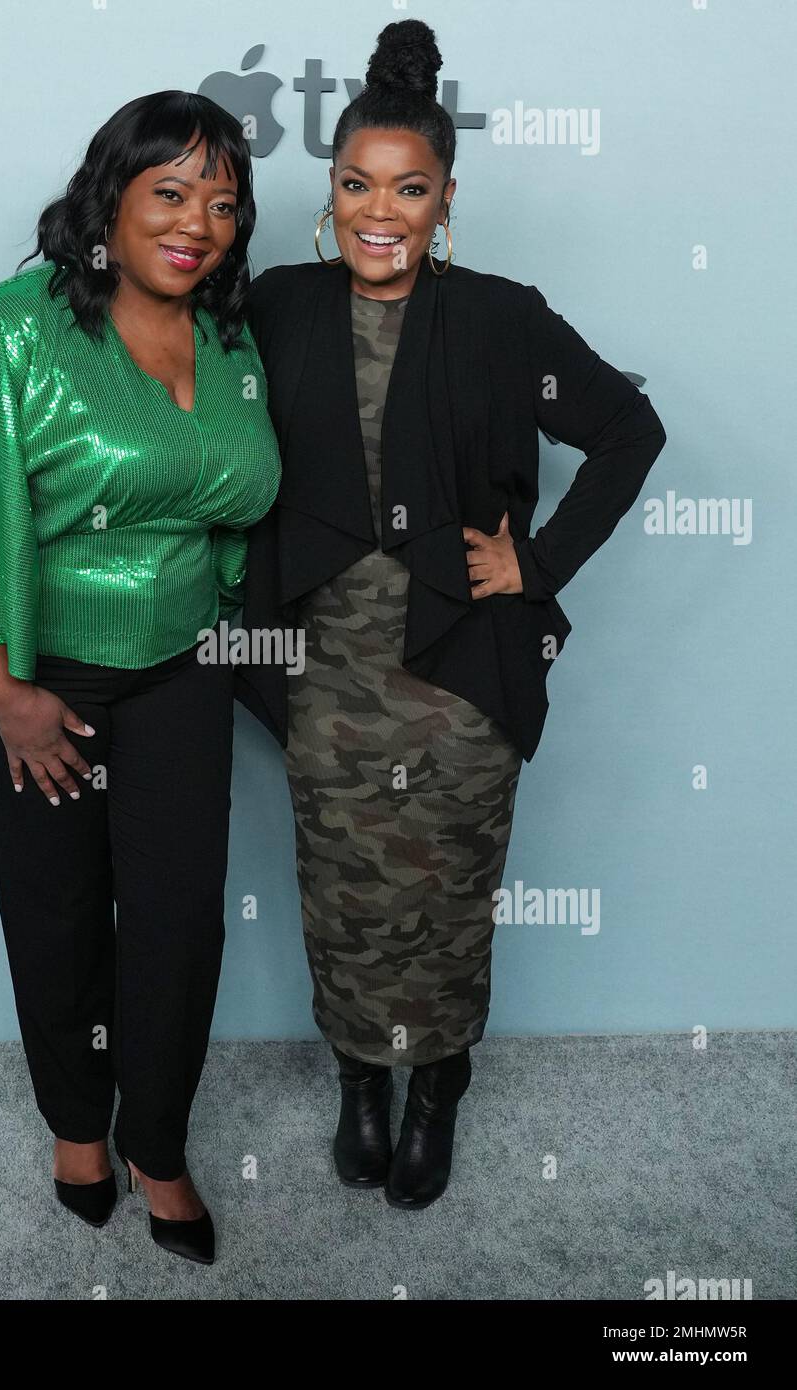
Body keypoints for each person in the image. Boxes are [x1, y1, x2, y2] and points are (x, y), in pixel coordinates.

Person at [237, 19, 666, 1210]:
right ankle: (358, 1089)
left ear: (444, 197)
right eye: (355, 185)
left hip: (460, 677)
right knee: (340, 893)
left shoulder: (497, 318)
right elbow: (196, 420)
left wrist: (535, 562)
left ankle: (434, 1093)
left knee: (442, 900)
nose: (380, 212)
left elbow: (629, 433)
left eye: (408, 189)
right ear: (327, 192)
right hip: (323, 679)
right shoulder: (275, 306)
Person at [0, 91, 281, 1265]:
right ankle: (74, 1131)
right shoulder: (15, 327)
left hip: (184, 664)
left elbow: (241, 517)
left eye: (222, 201)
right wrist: (5, 696)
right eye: (170, 192)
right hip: (37, 677)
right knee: (56, 911)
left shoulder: (230, 339)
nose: (199, 220)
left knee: (177, 918)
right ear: (110, 197)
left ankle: (155, 1141)